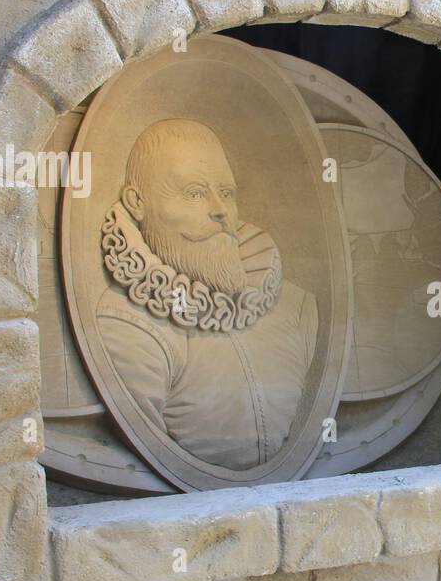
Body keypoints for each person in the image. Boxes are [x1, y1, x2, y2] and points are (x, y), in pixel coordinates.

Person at [96, 119, 317, 470]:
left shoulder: (296, 305)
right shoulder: (126, 323)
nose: (221, 210)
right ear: (137, 203)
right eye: (195, 193)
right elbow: (149, 456)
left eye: (227, 193)